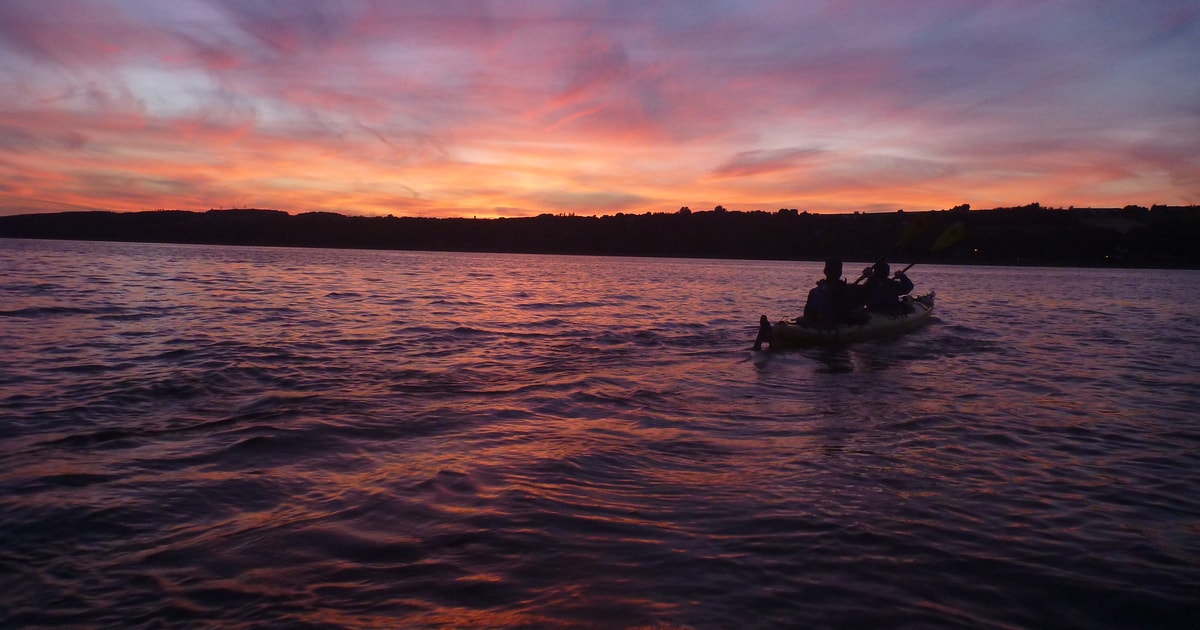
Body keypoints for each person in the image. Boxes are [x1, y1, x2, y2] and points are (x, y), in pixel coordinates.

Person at [803, 258, 866, 325]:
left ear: (825, 271)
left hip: (818, 322)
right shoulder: (847, 290)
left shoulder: (813, 292)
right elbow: (865, 290)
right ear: (840, 272)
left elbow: (806, 313)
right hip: (829, 323)